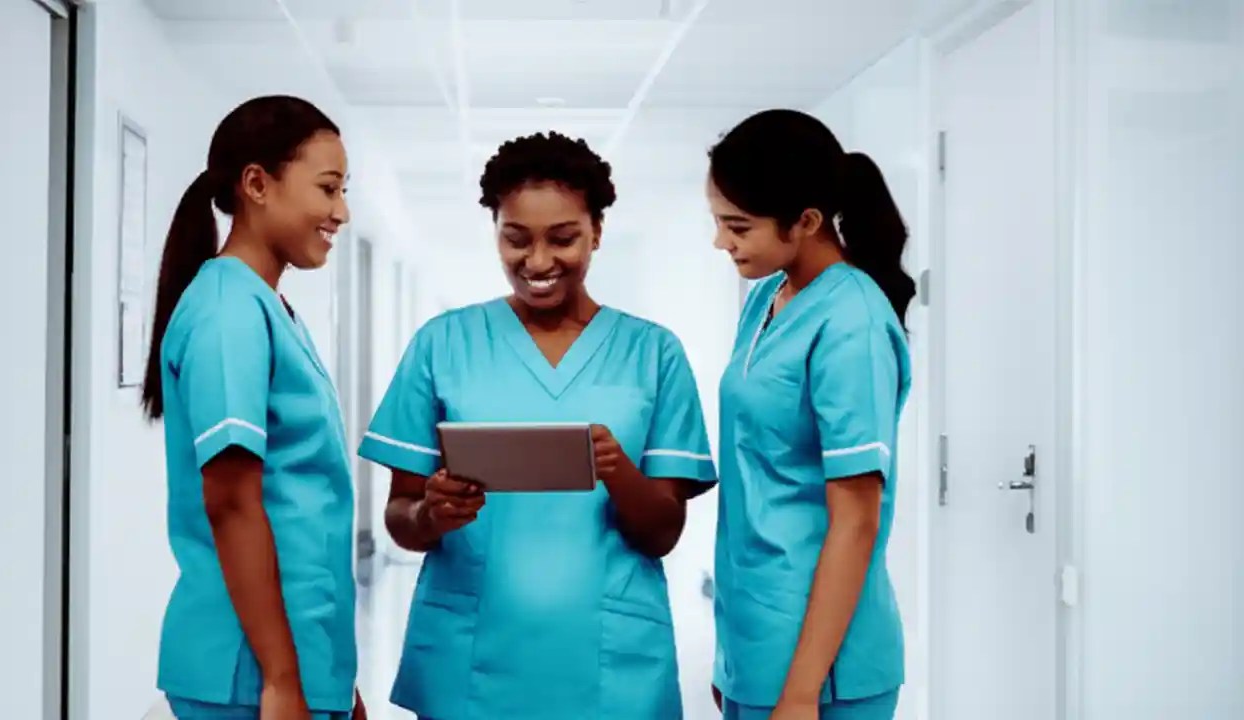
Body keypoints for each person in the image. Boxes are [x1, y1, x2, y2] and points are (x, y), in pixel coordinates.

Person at [357, 131, 718, 720]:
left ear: (597, 232)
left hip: (611, 669)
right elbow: (400, 519)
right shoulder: (443, 344)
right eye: (516, 239)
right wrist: (433, 512)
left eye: (564, 238)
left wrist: (617, 469)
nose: (539, 262)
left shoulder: (654, 354)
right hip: (472, 664)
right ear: (496, 233)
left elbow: (663, 534)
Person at [141, 95, 366, 720]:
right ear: (257, 184)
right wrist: (282, 682)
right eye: (327, 189)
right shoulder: (227, 310)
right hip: (248, 671)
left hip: (289, 658)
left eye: (344, 191)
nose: (340, 212)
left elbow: (298, 501)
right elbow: (231, 500)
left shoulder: (262, 306)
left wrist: (332, 682)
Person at [706, 108, 915, 720]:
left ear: (806, 221)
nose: (721, 241)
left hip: (823, 671)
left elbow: (856, 520)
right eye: (718, 221)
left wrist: (798, 692)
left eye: (737, 226)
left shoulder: (852, 321)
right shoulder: (769, 297)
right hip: (758, 644)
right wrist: (735, 658)